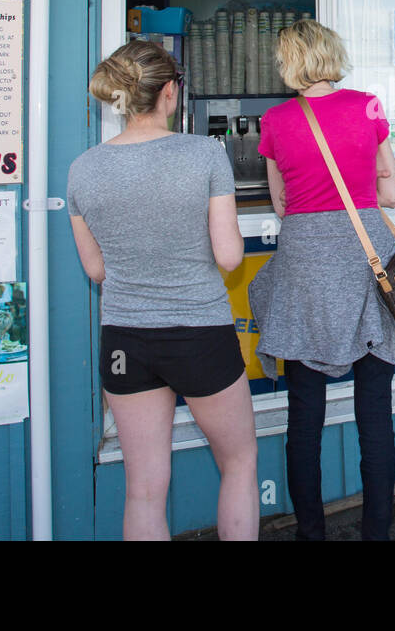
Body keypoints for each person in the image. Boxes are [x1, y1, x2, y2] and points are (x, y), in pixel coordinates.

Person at [67, 39, 258, 541]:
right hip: (199, 331)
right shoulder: (204, 154)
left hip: (126, 338)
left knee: (144, 488)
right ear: (171, 91)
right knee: (238, 463)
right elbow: (229, 257)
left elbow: (96, 270)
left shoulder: (83, 168)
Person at [248, 19, 395, 541]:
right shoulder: (368, 106)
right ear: (332, 54)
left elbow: (281, 203)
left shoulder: (274, 120)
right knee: (374, 411)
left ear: (289, 62)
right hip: (365, 258)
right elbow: (389, 194)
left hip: (305, 267)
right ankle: (376, 528)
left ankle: (310, 532)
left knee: (304, 415)